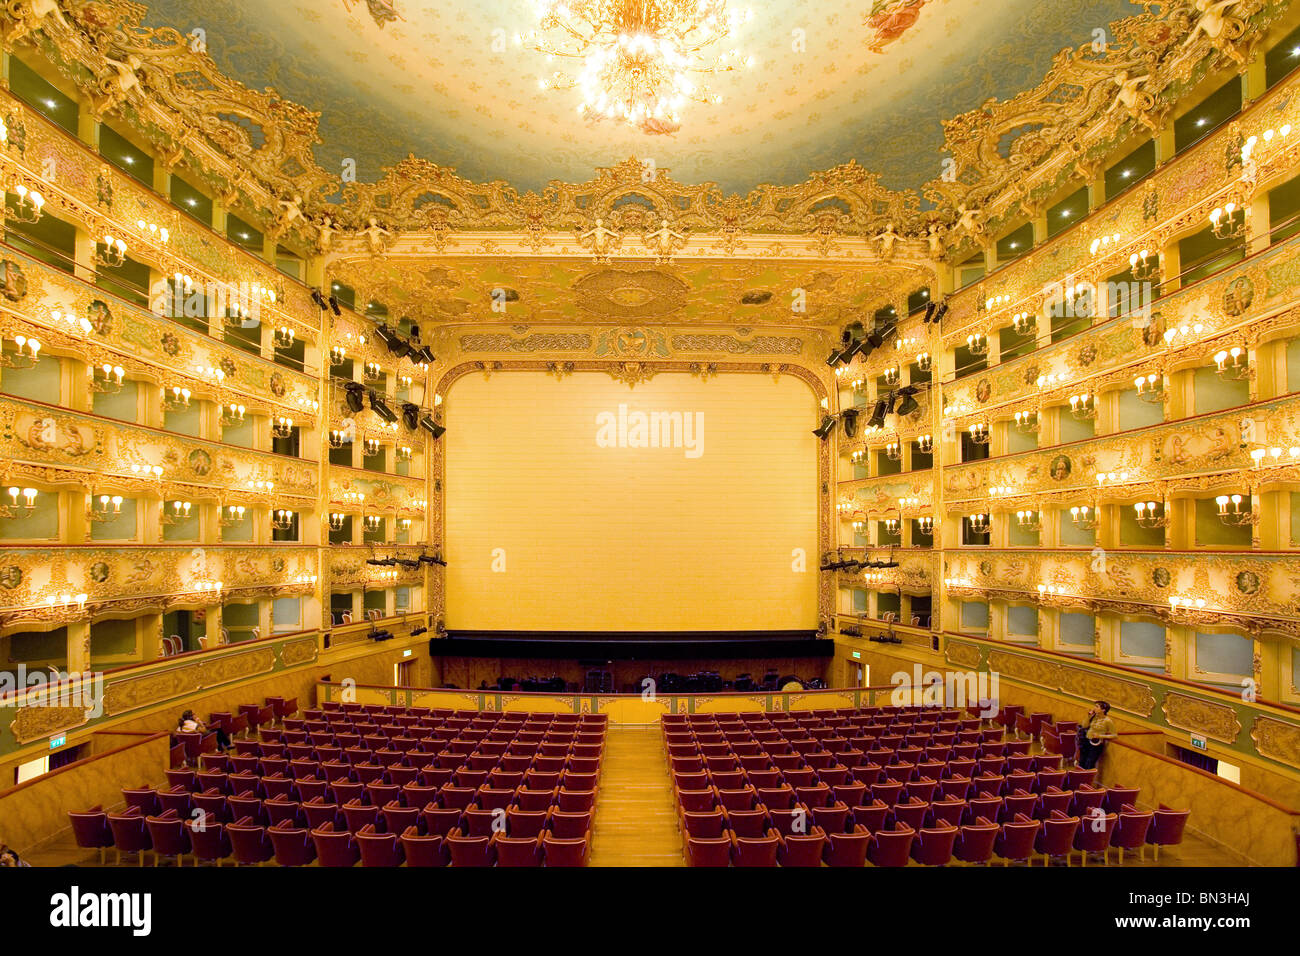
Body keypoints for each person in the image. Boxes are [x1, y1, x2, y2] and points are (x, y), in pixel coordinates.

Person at [1076, 700, 1117, 770]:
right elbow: (1084, 726)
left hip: (1095, 744)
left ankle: (1087, 779)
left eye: (1097, 707)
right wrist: (1088, 716)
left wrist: (1100, 736)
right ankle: (1080, 778)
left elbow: (1114, 735)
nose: (1094, 708)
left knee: (1089, 764)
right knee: (1081, 761)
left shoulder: (1108, 721)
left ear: (1103, 710)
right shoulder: (1094, 717)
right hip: (1086, 740)